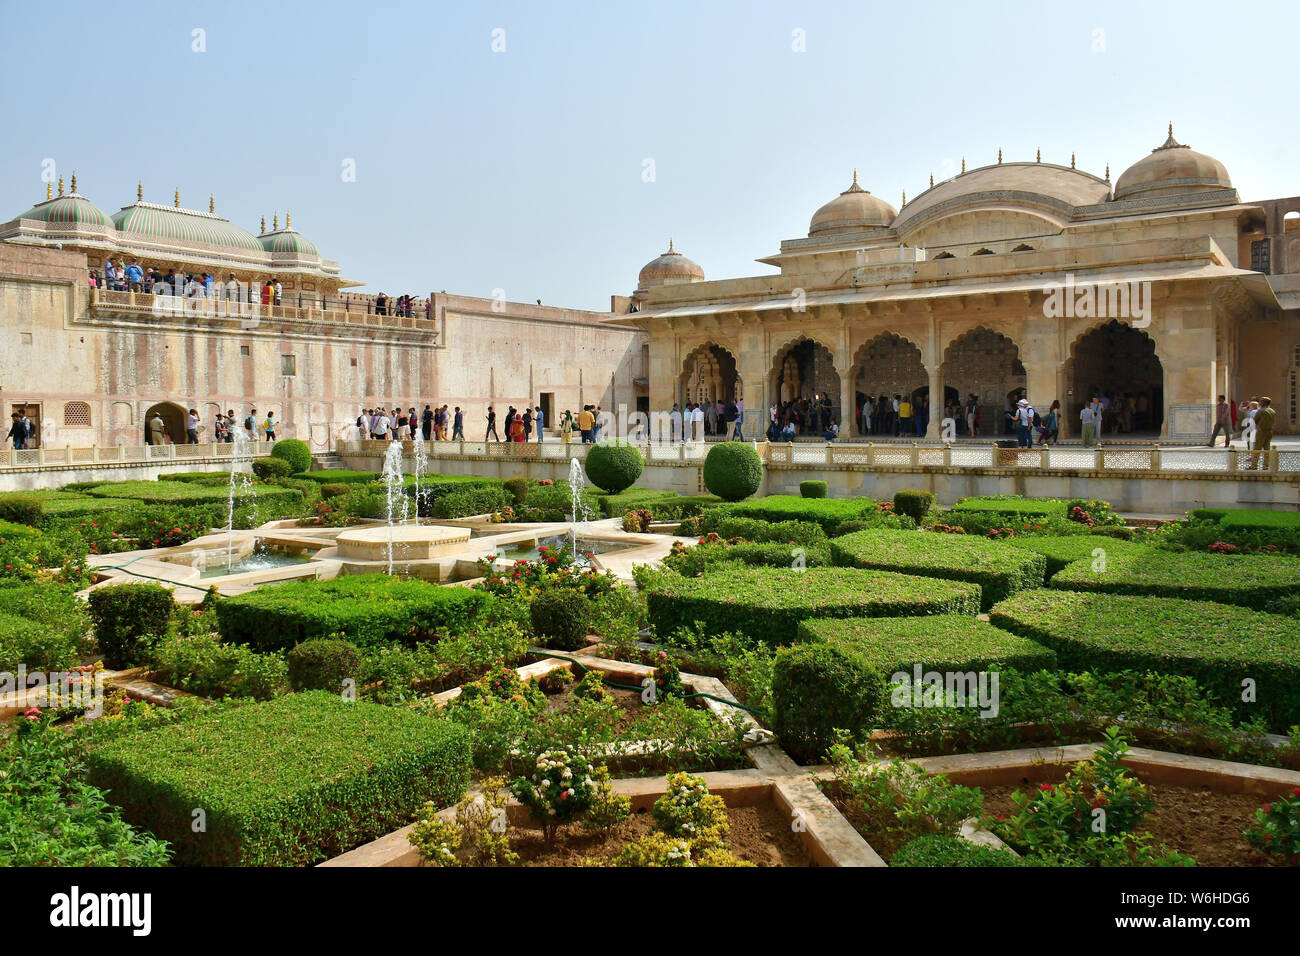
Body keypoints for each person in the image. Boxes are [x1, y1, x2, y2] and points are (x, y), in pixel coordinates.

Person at [1250, 397, 1276, 470]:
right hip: (1269, 431)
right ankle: (1266, 466)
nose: (1260, 403)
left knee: (1257, 448)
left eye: (1261, 402)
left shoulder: (1261, 411)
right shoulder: (1272, 411)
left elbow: (1255, 420)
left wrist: (1260, 425)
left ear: (1265, 403)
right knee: (1267, 449)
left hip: (1261, 431)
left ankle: (1254, 465)